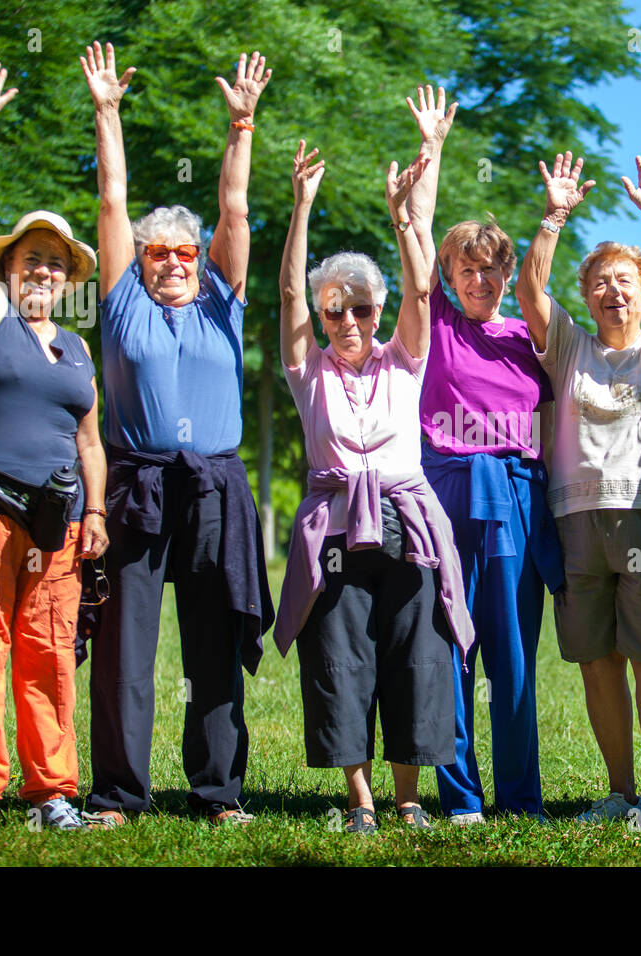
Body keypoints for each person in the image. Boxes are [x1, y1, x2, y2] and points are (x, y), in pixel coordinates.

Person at [79, 42, 274, 827]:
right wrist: (106, 112)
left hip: (214, 486)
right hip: (136, 483)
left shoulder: (222, 298)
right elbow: (112, 201)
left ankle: (217, 793)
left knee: (213, 648)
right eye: (159, 254)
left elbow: (232, 210)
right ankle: (118, 795)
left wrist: (241, 127)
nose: (171, 262)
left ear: (203, 262)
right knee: (126, 651)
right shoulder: (122, 300)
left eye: (183, 254)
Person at [275, 139, 475, 833]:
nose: (349, 322)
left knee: (416, 652)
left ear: (378, 309)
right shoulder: (309, 373)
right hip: (334, 528)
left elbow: (424, 289)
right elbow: (286, 292)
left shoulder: (405, 360)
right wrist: (300, 207)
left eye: (361, 309)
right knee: (340, 653)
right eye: (335, 311)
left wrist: (402, 220)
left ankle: (409, 798)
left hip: (407, 520)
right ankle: (360, 799)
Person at [514, 148, 641, 835]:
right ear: (588, 293)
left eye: (624, 281)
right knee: (597, 661)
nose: (612, 292)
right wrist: (554, 215)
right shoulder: (569, 347)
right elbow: (530, 295)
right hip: (576, 521)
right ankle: (620, 792)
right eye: (599, 282)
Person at [0, 61, 108, 834]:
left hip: (58, 520)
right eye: (28, 258)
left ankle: (53, 794)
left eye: (54, 261)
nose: (40, 268)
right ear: (7, 270)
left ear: (67, 276)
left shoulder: (76, 349)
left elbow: (88, 435)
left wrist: (96, 509)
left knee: (47, 652)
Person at [402, 86, 565, 823]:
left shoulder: (528, 334)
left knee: (514, 655)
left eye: (490, 269)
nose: (478, 279)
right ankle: (460, 797)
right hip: (446, 491)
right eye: (466, 269)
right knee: (451, 646)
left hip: (518, 493)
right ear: (451, 275)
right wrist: (431, 148)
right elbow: (422, 225)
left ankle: (522, 797)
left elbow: (537, 284)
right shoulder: (435, 319)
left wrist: (552, 218)